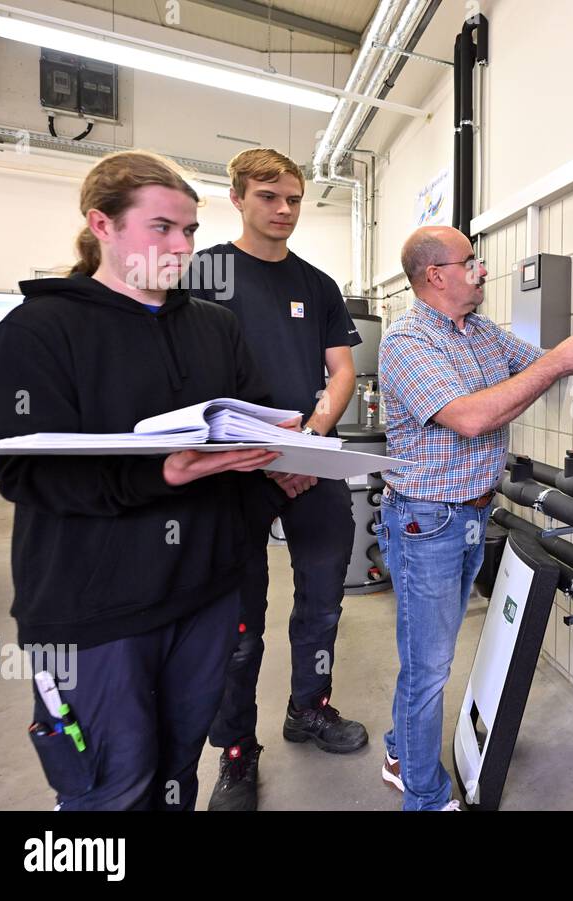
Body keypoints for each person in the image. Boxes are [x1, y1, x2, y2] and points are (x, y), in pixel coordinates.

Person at [0, 150, 283, 810]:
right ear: (103, 224)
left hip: (204, 596)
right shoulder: (34, 333)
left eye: (190, 230)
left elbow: (251, 426)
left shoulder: (215, 328)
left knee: (177, 769)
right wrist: (163, 473)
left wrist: (265, 475)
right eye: (162, 227)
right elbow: (28, 473)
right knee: (112, 789)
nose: (182, 245)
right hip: (94, 615)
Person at [377, 224, 573, 810]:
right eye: (471, 261)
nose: (482, 270)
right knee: (429, 666)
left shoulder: (480, 332)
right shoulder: (407, 341)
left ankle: (400, 748)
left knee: (432, 654)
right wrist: (553, 364)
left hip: (472, 516)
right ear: (436, 275)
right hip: (425, 521)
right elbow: (470, 418)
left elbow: (543, 369)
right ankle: (425, 796)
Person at [191, 149, 366, 812]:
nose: (284, 209)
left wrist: (310, 441)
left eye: (293, 197)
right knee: (241, 621)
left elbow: (341, 371)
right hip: (233, 469)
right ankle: (237, 751)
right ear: (238, 197)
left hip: (309, 462)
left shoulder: (317, 284)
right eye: (269, 196)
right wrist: (262, 453)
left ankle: (309, 706)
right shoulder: (202, 271)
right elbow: (185, 368)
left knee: (322, 599)